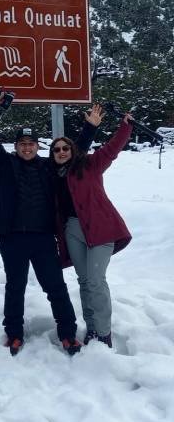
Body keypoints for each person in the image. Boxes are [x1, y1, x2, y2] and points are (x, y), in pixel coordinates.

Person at [0, 94, 96, 356]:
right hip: (12, 238)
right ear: (16, 146)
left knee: (55, 286)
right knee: (15, 286)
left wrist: (90, 128)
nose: (27, 148)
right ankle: (14, 334)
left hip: (43, 238)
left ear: (37, 146)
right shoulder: (5, 164)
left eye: (31, 144)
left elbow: (74, 153)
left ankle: (67, 334)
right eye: (22, 144)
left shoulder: (48, 167)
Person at [50, 105, 132, 348]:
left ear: (72, 150)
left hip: (100, 230)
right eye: (57, 149)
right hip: (72, 231)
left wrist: (125, 128)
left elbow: (111, 150)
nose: (62, 152)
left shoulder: (90, 165)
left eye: (66, 148)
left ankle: (104, 332)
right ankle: (92, 327)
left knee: (96, 280)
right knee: (84, 281)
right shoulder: (52, 176)